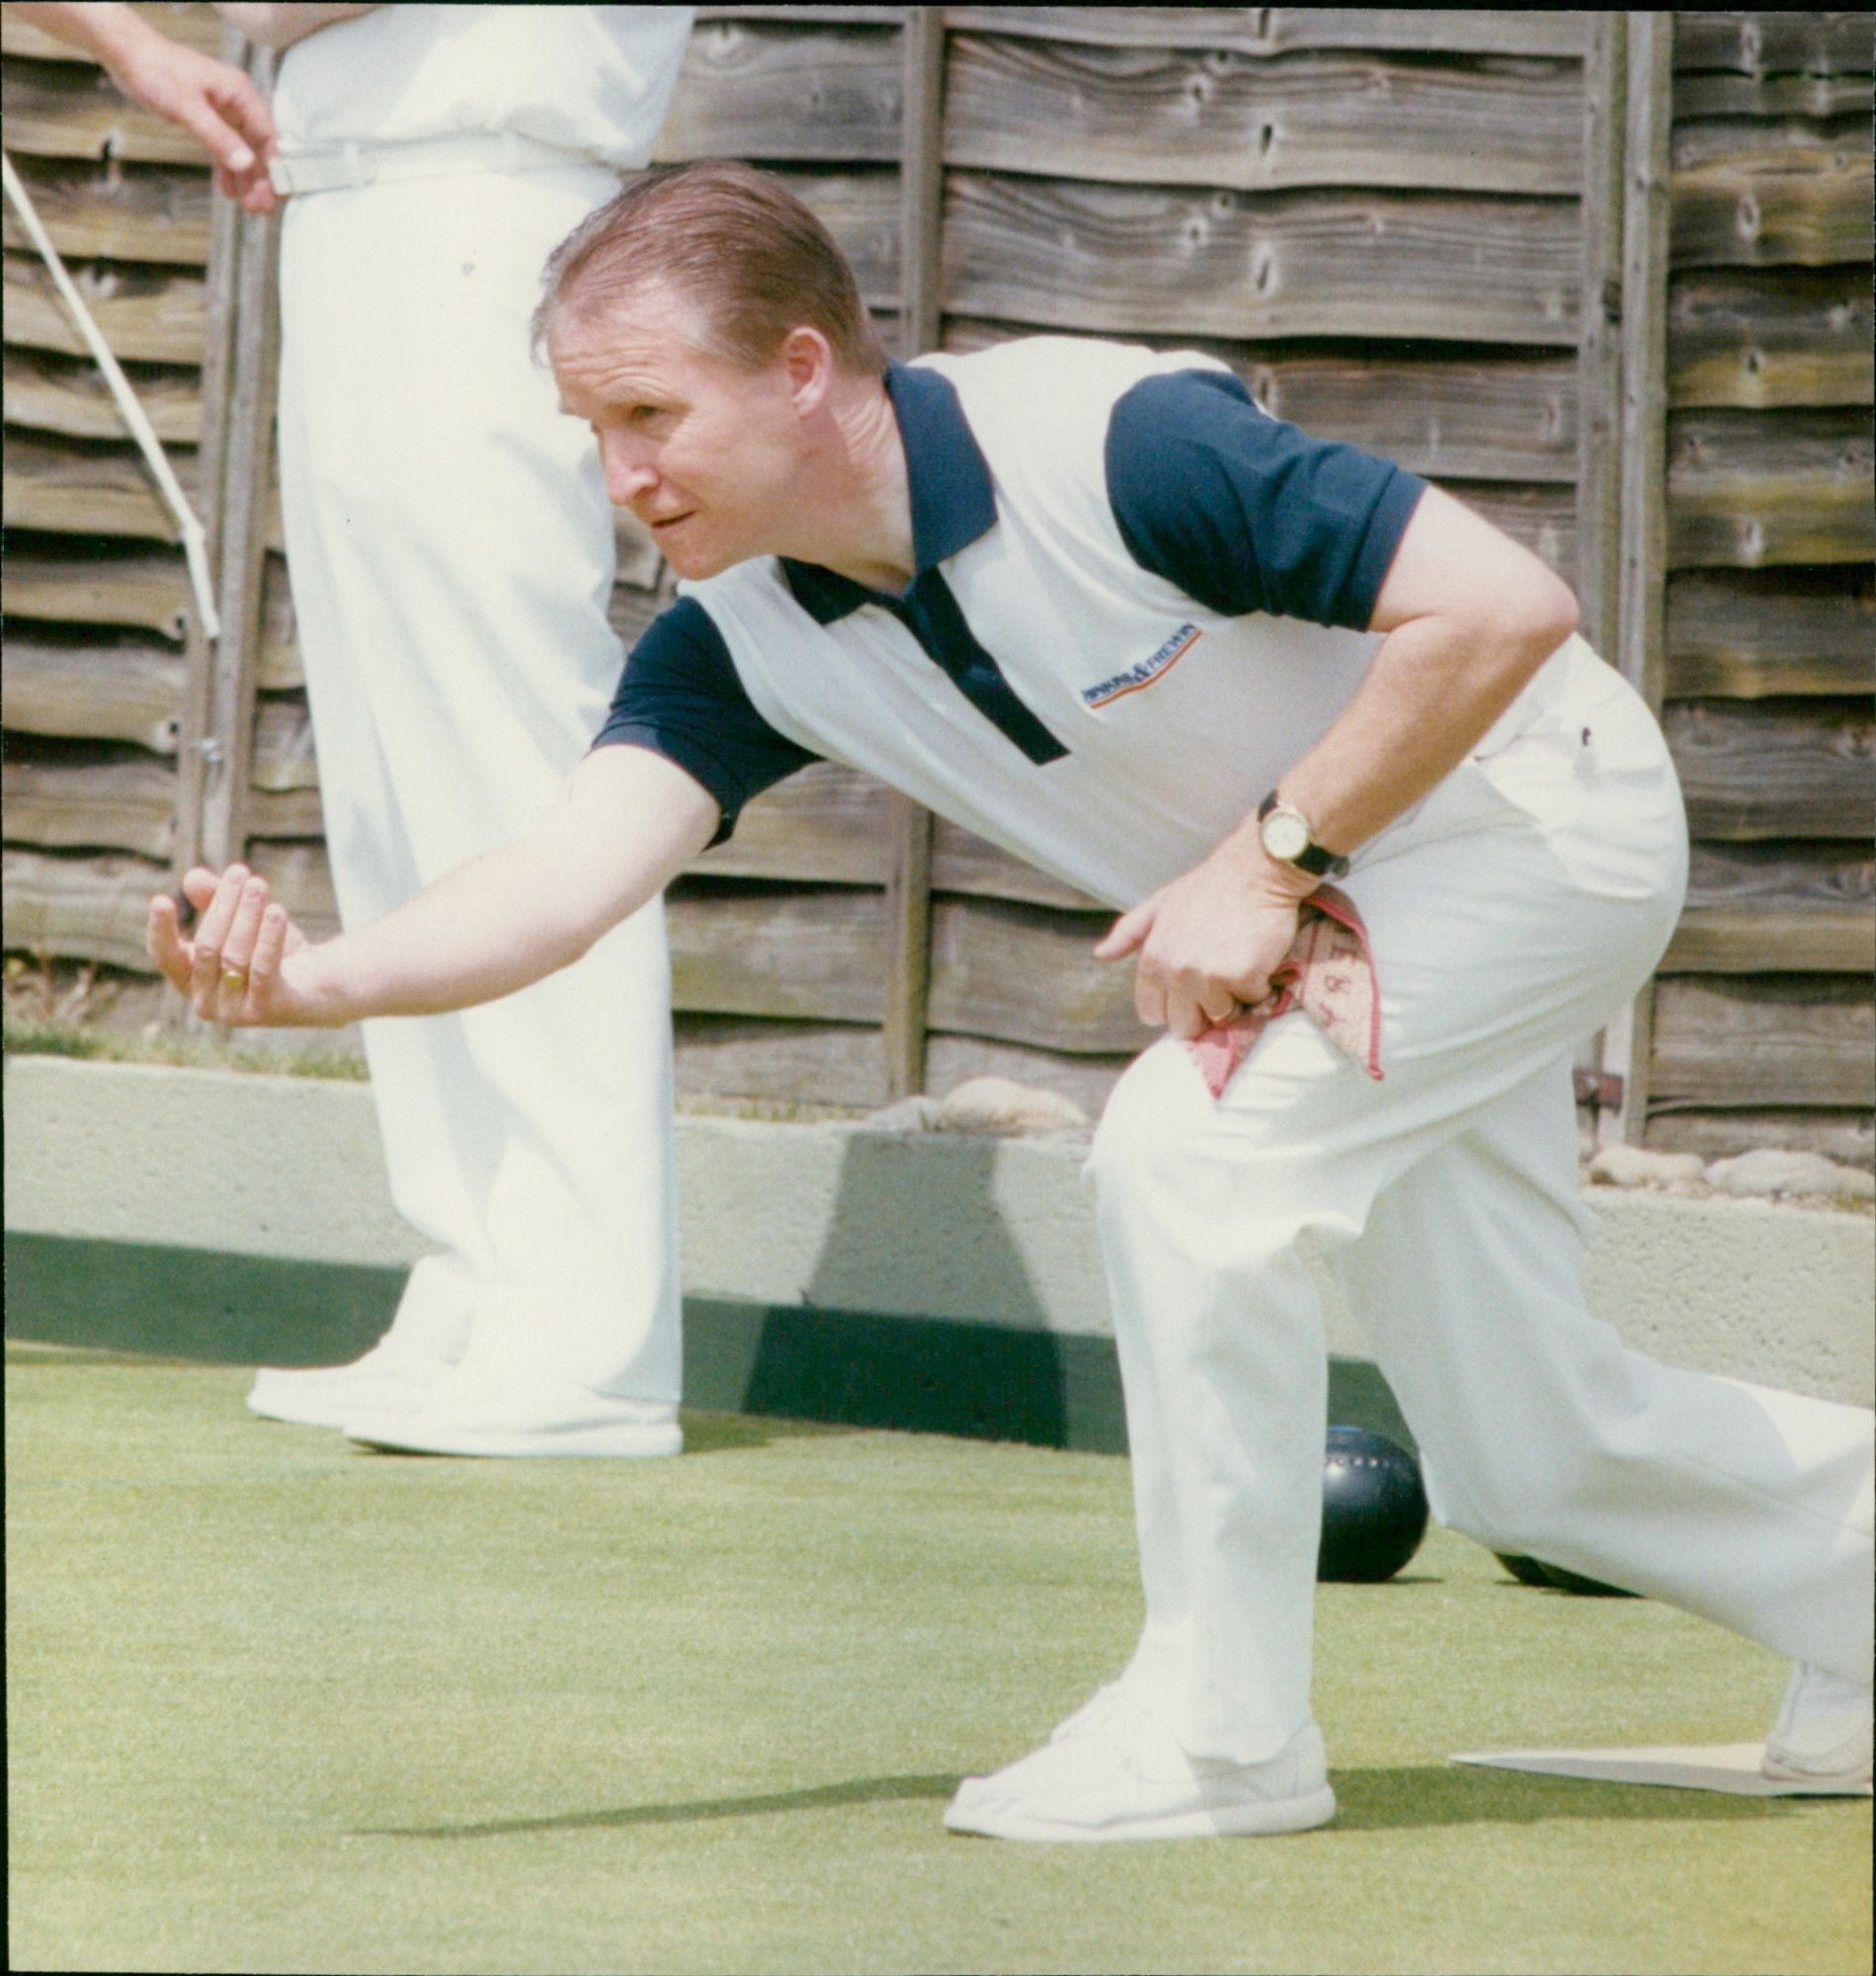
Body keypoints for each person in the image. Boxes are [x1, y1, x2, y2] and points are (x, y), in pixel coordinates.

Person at [148, 162, 1875, 1837]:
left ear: (803, 368)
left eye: (649, 417)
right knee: (1531, 1454)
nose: (619, 477)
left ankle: (1221, 1737)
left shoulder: (1113, 447)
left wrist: (1270, 860)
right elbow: (559, 886)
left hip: (1537, 821)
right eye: (591, 434)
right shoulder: (740, 637)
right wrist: (310, 982)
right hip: (1364, 911)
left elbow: (1505, 606)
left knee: (1185, 1164)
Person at [23, 2, 697, 1457]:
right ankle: (473, 1275)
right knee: (398, 778)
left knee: (514, 764)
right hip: (352, 198)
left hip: (495, 196)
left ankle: (589, 1337)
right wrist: (130, 38)